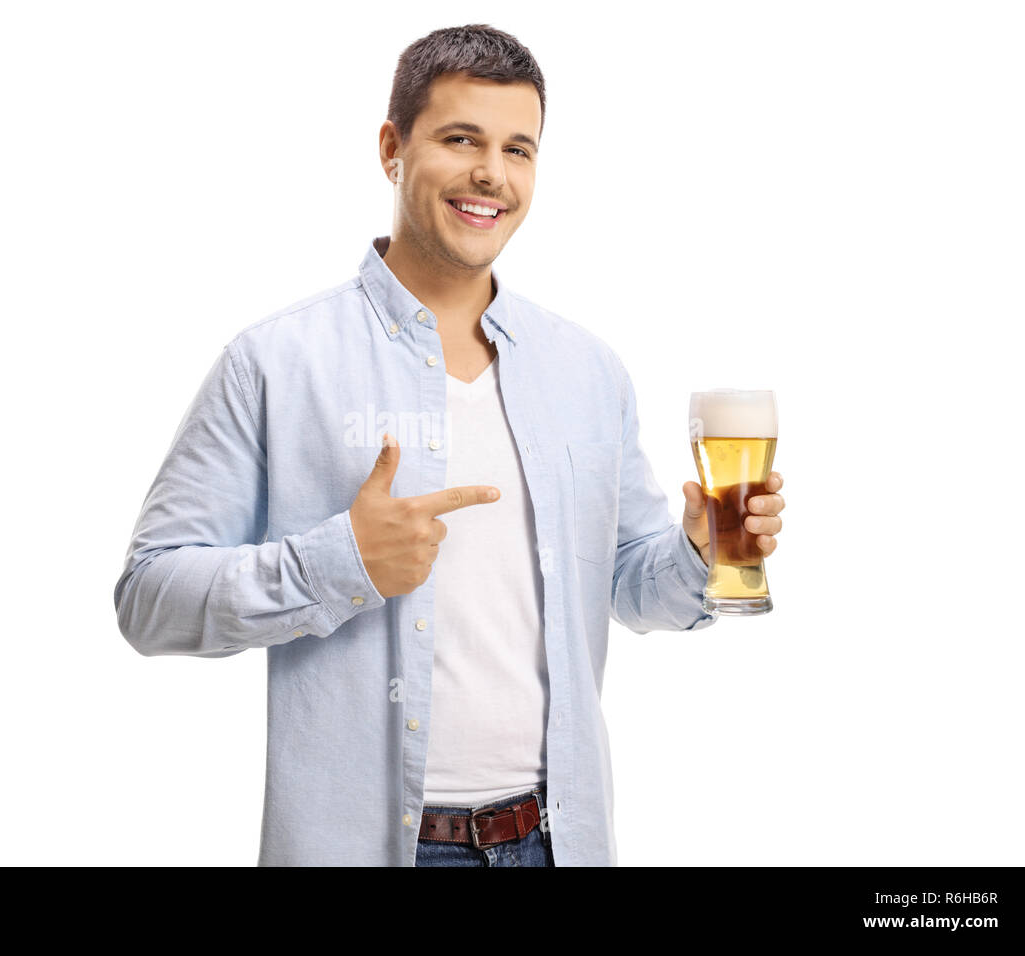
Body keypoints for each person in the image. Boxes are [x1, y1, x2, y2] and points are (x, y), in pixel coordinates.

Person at [112, 23, 786, 867]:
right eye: (460, 138)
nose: (491, 176)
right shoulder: (274, 364)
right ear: (392, 148)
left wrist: (695, 549)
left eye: (518, 148)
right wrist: (340, 563)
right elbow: (147, 598)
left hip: (555, 841)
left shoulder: (587, 371)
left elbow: (628, 585)